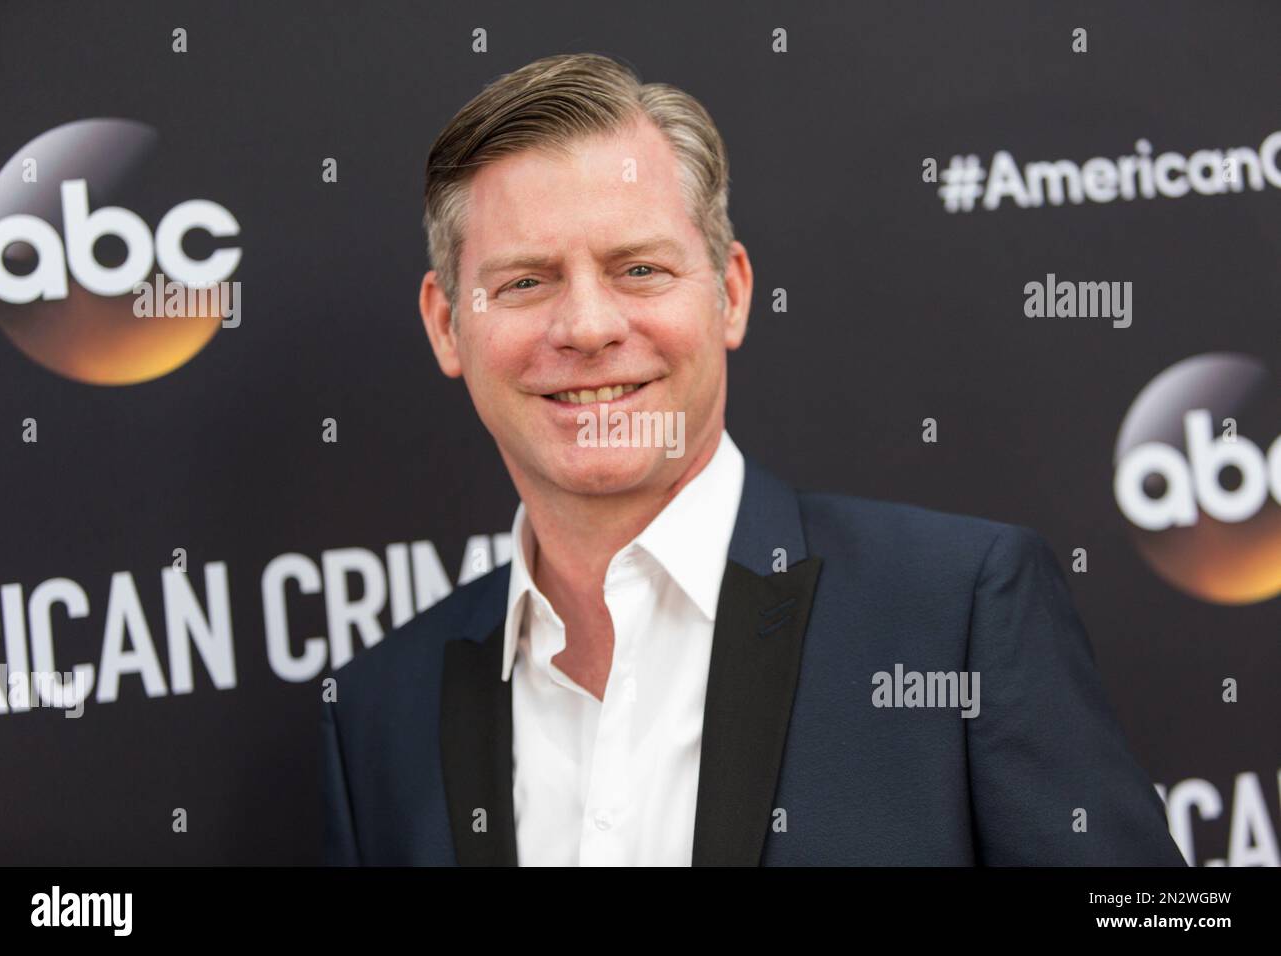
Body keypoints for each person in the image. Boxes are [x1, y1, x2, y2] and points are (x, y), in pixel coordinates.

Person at [320, 52, 1185, 866]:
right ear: (446, 324)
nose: (586, 327)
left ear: (731, 293)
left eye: (640, 269)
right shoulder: (376, 714)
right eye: (524, 282)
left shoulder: (956, 614)